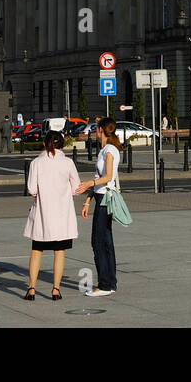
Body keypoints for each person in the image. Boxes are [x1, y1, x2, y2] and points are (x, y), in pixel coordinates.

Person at [22, 130, 81, 301]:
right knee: (59, 251)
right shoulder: (68, 163)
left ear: (44, 144)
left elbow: (32, 189)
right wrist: (63, 192)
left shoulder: (37, 163)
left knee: (36, 250)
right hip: (62, 214)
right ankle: (56, 289)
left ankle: (31, 288)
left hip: (42, 213)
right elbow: (76, 187)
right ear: (62, 145)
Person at [76, 118, 121, 296]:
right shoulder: (104, 149)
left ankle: (105, 285)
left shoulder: (109, 150)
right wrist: (87, 200)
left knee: (98, 241)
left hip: (105, 199)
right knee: (106, 241)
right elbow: (99, 177)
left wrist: (89, 183)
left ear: (101, 130)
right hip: (100, 197)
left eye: (96, 129)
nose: (94, 132)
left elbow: (108, 177)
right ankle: (110, 282)